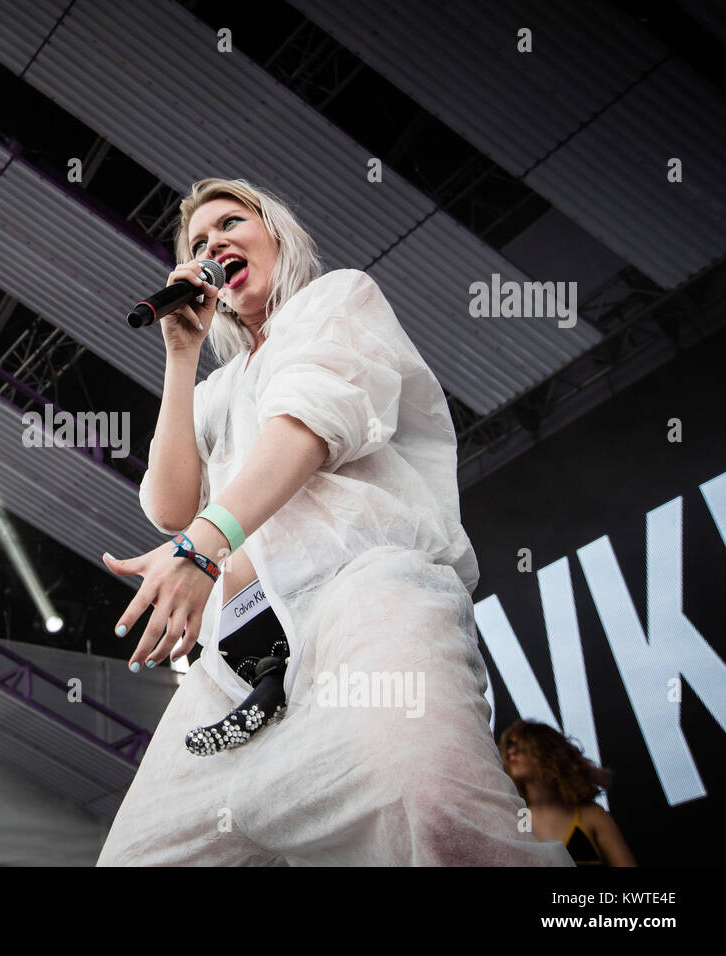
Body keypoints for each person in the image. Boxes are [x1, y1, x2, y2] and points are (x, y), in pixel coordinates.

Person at [97, 177, 573, 866]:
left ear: (277, 236)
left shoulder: (337, 300)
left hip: (364, 602)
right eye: (198, 242)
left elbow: (310, 427)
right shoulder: (218, 389)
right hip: (235, 667)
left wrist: (201, 549)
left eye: (231, 224)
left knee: (441, 815)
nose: (213, 244)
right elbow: (171, 506)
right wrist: (180, 356)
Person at [500, 719, 637, 866]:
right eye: (509, 746)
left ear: (548, 752)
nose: (511, 752)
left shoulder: (591, 814)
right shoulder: (513, 818)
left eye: (522, 747)